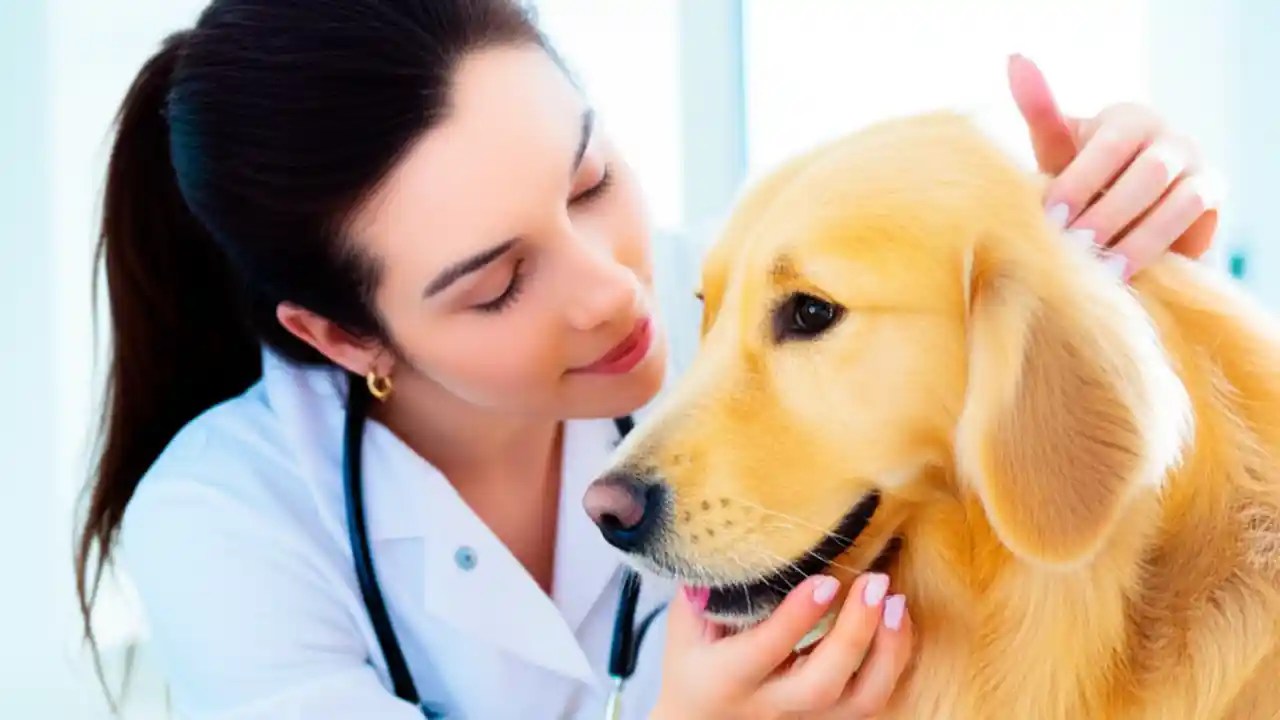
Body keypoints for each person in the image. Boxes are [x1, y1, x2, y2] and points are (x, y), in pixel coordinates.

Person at [73, 1, 1221, 718]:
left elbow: (1088, 526)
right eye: (497, 283)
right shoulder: (226, 522)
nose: (617, 288)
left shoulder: (747, 287)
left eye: (587, 180)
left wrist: (1140, 263)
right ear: (343, 337)